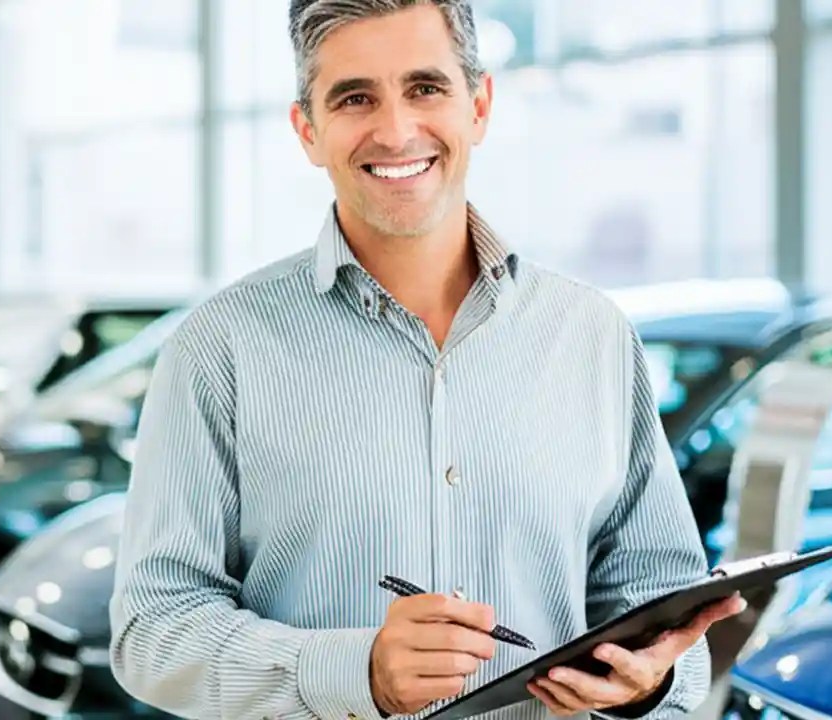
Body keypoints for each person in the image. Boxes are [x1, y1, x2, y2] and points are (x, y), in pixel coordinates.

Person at [108, 1, 745, 718]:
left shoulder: (593, 336)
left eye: (426, 88)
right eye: (355, 98)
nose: (397, 130)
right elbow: (152, 630)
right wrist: (356, 673)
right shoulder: (220, 350)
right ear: (307, 130)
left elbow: (660, 606)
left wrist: (648, 682)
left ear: (479, 105)